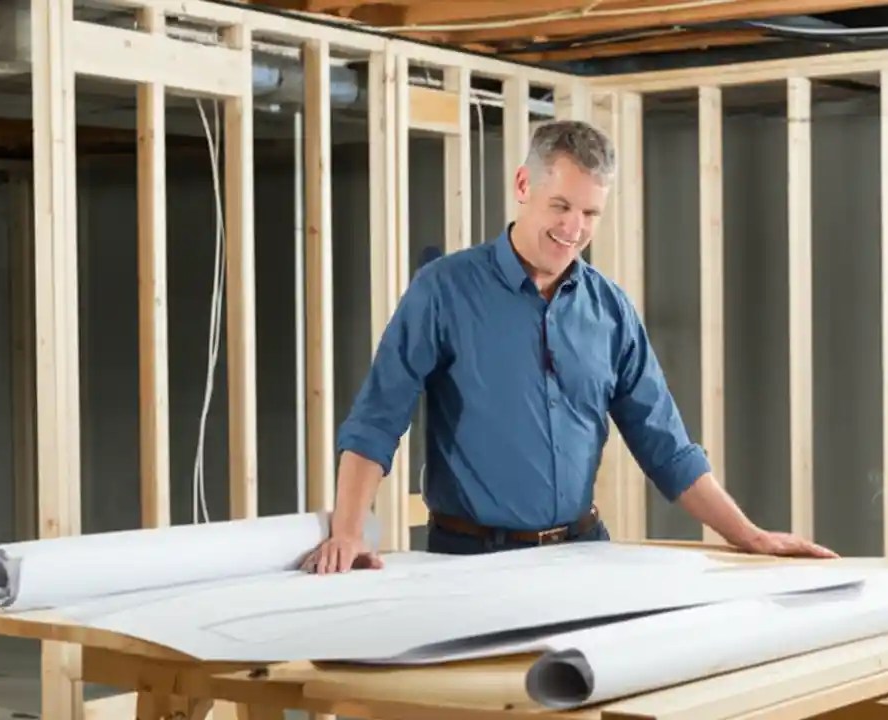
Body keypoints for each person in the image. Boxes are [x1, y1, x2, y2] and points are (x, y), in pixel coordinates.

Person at [301, 119, 837, 573]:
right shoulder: (444, 292)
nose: (574, 228)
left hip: (582, 556)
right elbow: (378, 418)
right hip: (469, 564)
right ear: (522, 185)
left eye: (590, 213)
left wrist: (750, 536)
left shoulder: (610, 310)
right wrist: (349, 531)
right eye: (561, 206)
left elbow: (666, 448)